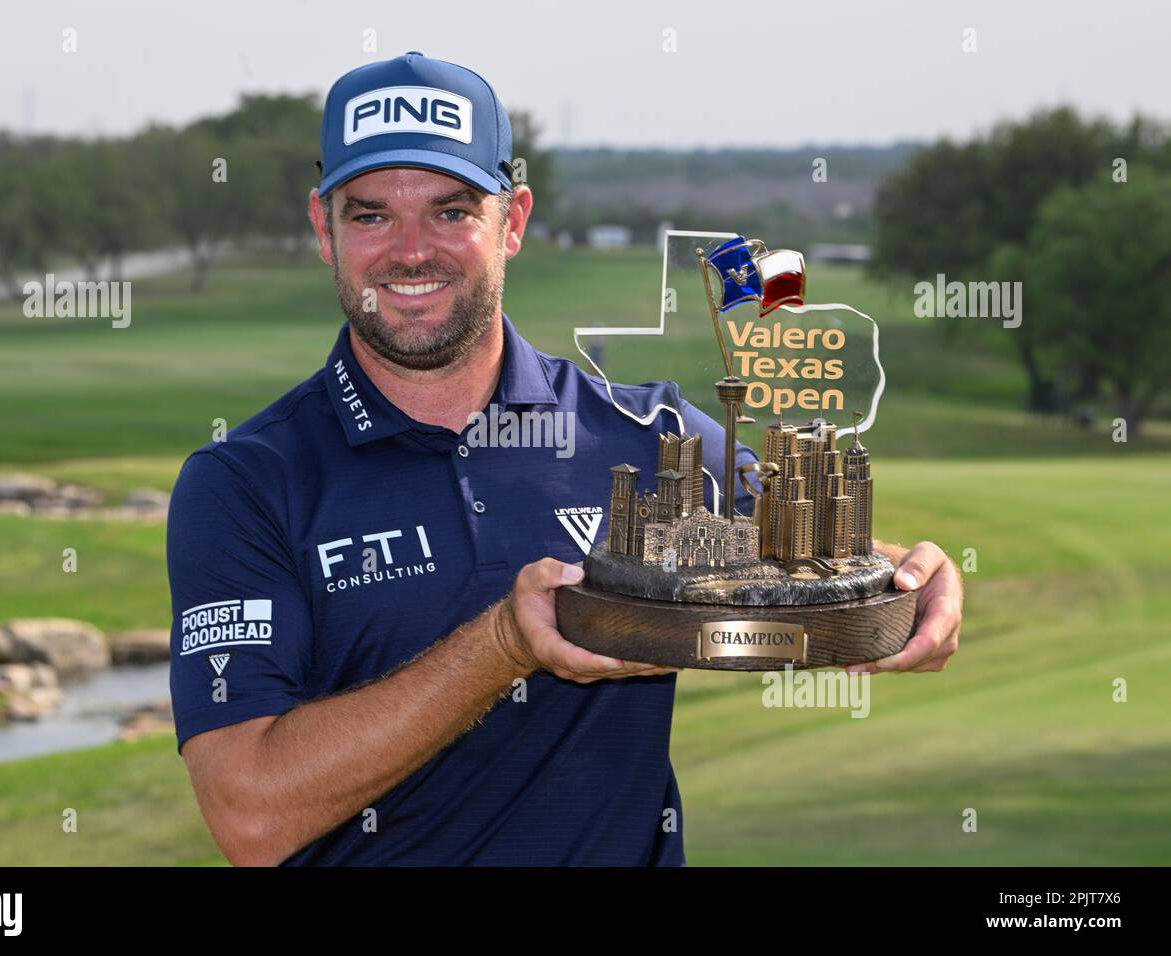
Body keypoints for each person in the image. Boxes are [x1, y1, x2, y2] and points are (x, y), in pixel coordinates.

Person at [166, 51, 963, 867]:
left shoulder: (650, 433)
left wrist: (912, 579)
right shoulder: (245, 482)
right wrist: (504, 643)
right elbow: (250, 815)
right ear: (322, 228)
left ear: (512, 221)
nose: (410, 252)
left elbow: (808, 557)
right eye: (370, 215)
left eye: (451, 212)